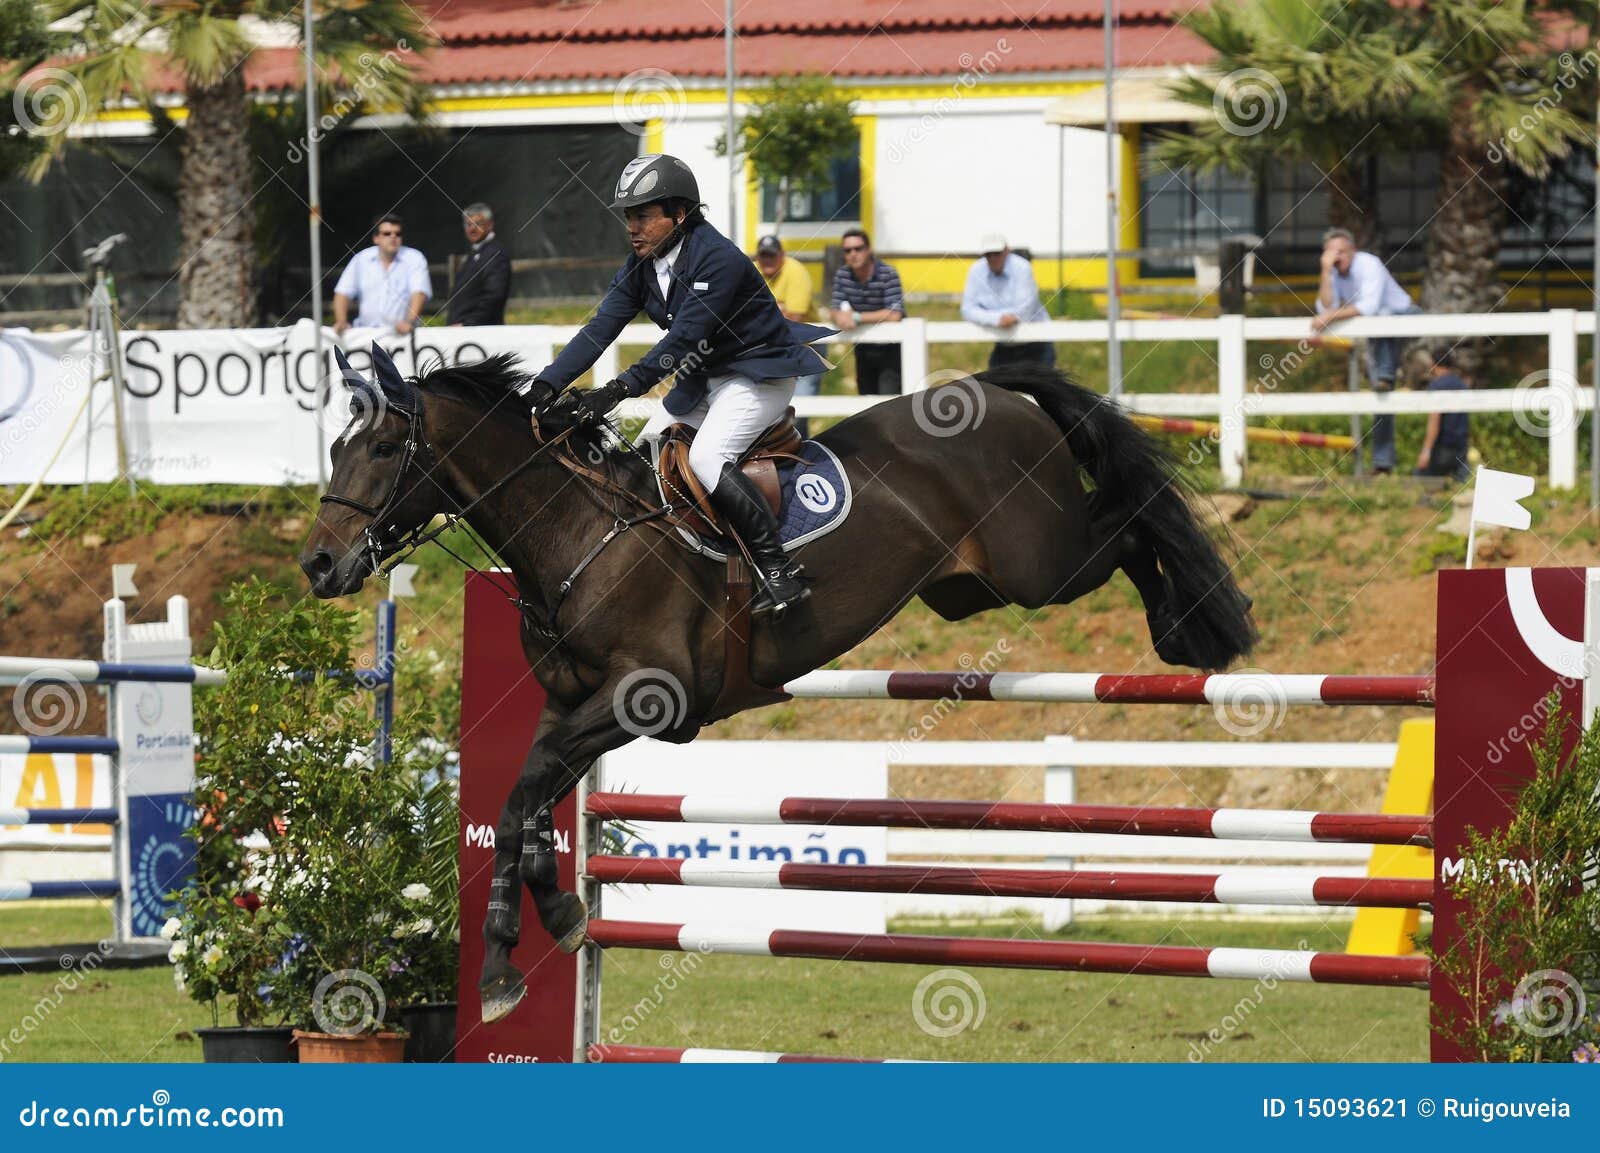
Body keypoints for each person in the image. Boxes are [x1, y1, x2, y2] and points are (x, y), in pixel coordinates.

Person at [531, 154, 833, 615]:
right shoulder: (641, 264)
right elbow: (599, 329)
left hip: (757, 375)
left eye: (643, 216)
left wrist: (615, 391)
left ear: (680, 213)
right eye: (628, 217)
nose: (632, 228)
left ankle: (778, 570)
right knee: (645, 455)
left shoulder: (718, 259)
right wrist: (544, 386)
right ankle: (682, 568)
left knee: (708, 457)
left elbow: (682, 340)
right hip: (705, 377)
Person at [1311, 227, 1419, 474]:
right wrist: (1326, 271)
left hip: (1405, 319)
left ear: (1353, 250)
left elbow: (1368, 307)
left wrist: (1330, 316)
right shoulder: (1334, 274)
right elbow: (1326, 306)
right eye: (1331, 253)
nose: (1337, 257)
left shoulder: (1369, 264)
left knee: (1382, 317)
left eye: (1341, 252)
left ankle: (1385, 375)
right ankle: (1383, 464)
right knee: (1381, 396)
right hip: (1380, 337)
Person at [755, 234, 822, 435]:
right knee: (766, 412)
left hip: (804, 348)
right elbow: (741, 313)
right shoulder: (752, 271)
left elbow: (795, 317)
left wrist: (763, 311)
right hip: (769, 350)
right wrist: (778, 310)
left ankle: (802, 456)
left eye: (772, 255)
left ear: (782, 255)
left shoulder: (796, 271)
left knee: (798, 411)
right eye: (763, 255)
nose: (767, 260)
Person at [961, 232, 1055, 370]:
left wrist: (989, 316)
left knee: (1041, 390)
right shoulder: (976, 270)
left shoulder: (1022, 268)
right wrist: (998, 319)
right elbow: (967, 309)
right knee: (995, 389)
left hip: (1036, 345)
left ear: (1007, 251)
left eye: (997, 253)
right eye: (988, 254)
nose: (993, 258)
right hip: (1003, 346)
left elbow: (1024, 309)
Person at [829, 228, 905, 394]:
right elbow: (834, 309)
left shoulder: (888, 273)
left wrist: (856, 317)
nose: (853, 254)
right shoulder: (843, 274)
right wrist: (840, 317)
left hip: (890, 347)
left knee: (889, 402)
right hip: (862, 345)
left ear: (869, 249)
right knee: (865, 400)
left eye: (858, 248)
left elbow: (895, 314)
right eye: (848, 250)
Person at [332, 213, 432, 335]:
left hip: (402, 336)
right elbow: (342, 293)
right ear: (376, 238)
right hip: (366, 335)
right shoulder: (361, 259)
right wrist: (341, 321)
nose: (393, 237)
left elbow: (419, 293)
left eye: (398, 233)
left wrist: (409, 322)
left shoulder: (414, 258)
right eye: (387, 233)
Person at [448, 202, 511, 326]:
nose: (472, 228)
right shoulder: (476, 253)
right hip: (462, 333)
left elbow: (494, 297)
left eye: (478, 224)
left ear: (490, 225)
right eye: (468, 224)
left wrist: (468, 324)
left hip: (480, 334)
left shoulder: (495, 253)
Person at [1413, 349, 1471, 481]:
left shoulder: (1437, 385)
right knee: (1462, 488)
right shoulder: (1461, 384)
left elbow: (1435, 419)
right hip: (1461, 446)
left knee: (1421, 483)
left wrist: (1426, 451)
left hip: (1442, 447)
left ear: (1433, 364)